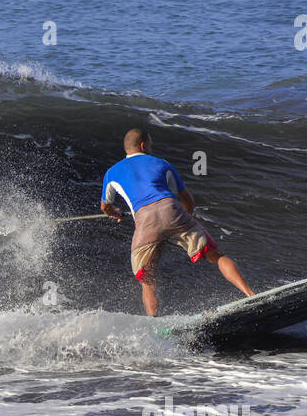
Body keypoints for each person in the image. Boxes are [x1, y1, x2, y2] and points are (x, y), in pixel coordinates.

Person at [100, 128, 255, 316]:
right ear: (143, 145)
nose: (151, 147)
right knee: (216, 256)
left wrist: (114, 213)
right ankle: (251, 295)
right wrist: (186, 220)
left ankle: (154, 323)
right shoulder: (162, 163)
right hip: (171, 209)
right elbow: (187, 199)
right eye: (150, 144)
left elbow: (105, 207)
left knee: (147, 281)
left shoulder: (111, 173)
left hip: (145, 222)